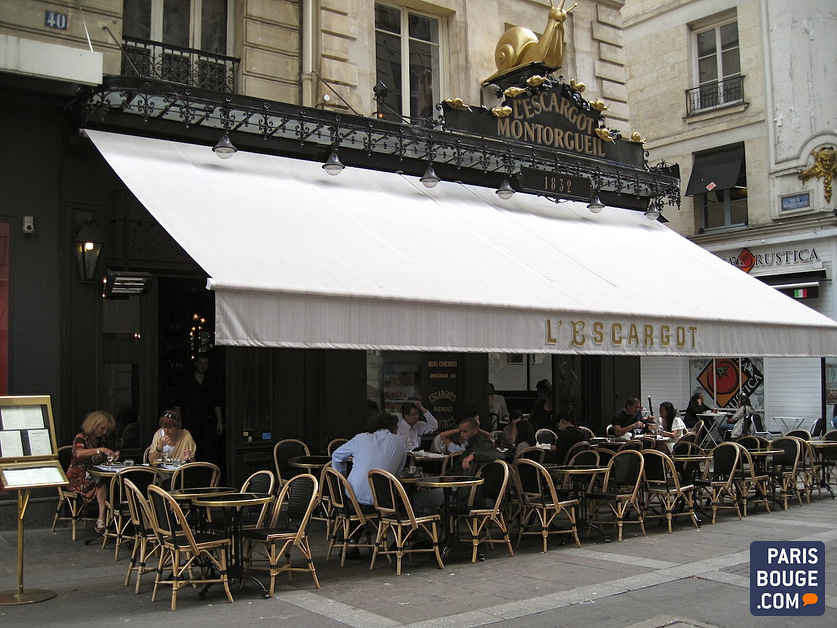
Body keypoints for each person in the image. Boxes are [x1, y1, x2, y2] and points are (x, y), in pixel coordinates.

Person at [331, 413, 407, 558]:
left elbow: (336, 456)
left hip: (352, 501)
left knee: (355, 500)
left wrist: (343, 478)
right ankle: (402, 540)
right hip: (383, 504)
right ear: (393, 427)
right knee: (402, 500)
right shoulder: (400, 442)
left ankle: (350, 541)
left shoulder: (360, 438)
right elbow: (396, 473)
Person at [66, 410, 119, 533]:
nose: (104, 432)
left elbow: (102, 459)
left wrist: (112, 456)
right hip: (78, 477)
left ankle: (114, 516)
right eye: (102, 428)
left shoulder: (101, 439)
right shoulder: (81, 438)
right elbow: (79, 453)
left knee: (113, 481)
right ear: (93, 424)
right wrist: (100, 450)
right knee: (102, 482)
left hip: (94, 473)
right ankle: (102, 518)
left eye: (107, 429)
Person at [178, 353, 224, 469]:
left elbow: (216, 402)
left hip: (206, 421)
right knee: (188, 450)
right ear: (196, 363)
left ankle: (206, 474)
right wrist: (178, 422)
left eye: (205, 363)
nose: (203, 366)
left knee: (206, 450)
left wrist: (220, 421)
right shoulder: (187, 381)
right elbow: (179, 402)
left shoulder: (211, 381)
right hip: (189, 420)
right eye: (200, 363)